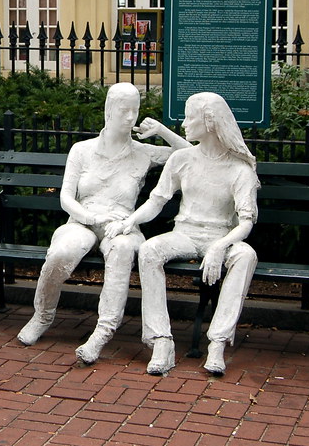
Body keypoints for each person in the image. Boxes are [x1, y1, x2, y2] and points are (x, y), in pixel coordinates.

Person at [16, 83, 190, 364]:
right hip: (82, 220)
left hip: (122, 226)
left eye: (135, 110)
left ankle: (102, 333)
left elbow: (191, 156)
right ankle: (43, 315)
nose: (131, 117)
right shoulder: (82, 150)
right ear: (109, 110)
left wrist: (161, 131)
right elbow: (65, 197)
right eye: (124, 110)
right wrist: (90, 217)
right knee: (64, 251)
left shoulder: (144, 152)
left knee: (122, 249)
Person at [106, 92, 259, 377]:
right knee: (150, 250)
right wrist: (130, 221)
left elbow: (245, 223)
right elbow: (156, 201)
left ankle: (217, 343)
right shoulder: (182, 159)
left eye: (190, 117)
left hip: (222, 237)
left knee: (246, 255)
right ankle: (160, 341)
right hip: (185, 234)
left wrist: (219, 247)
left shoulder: (240, 170)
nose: (184, 123)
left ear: (210, 123)